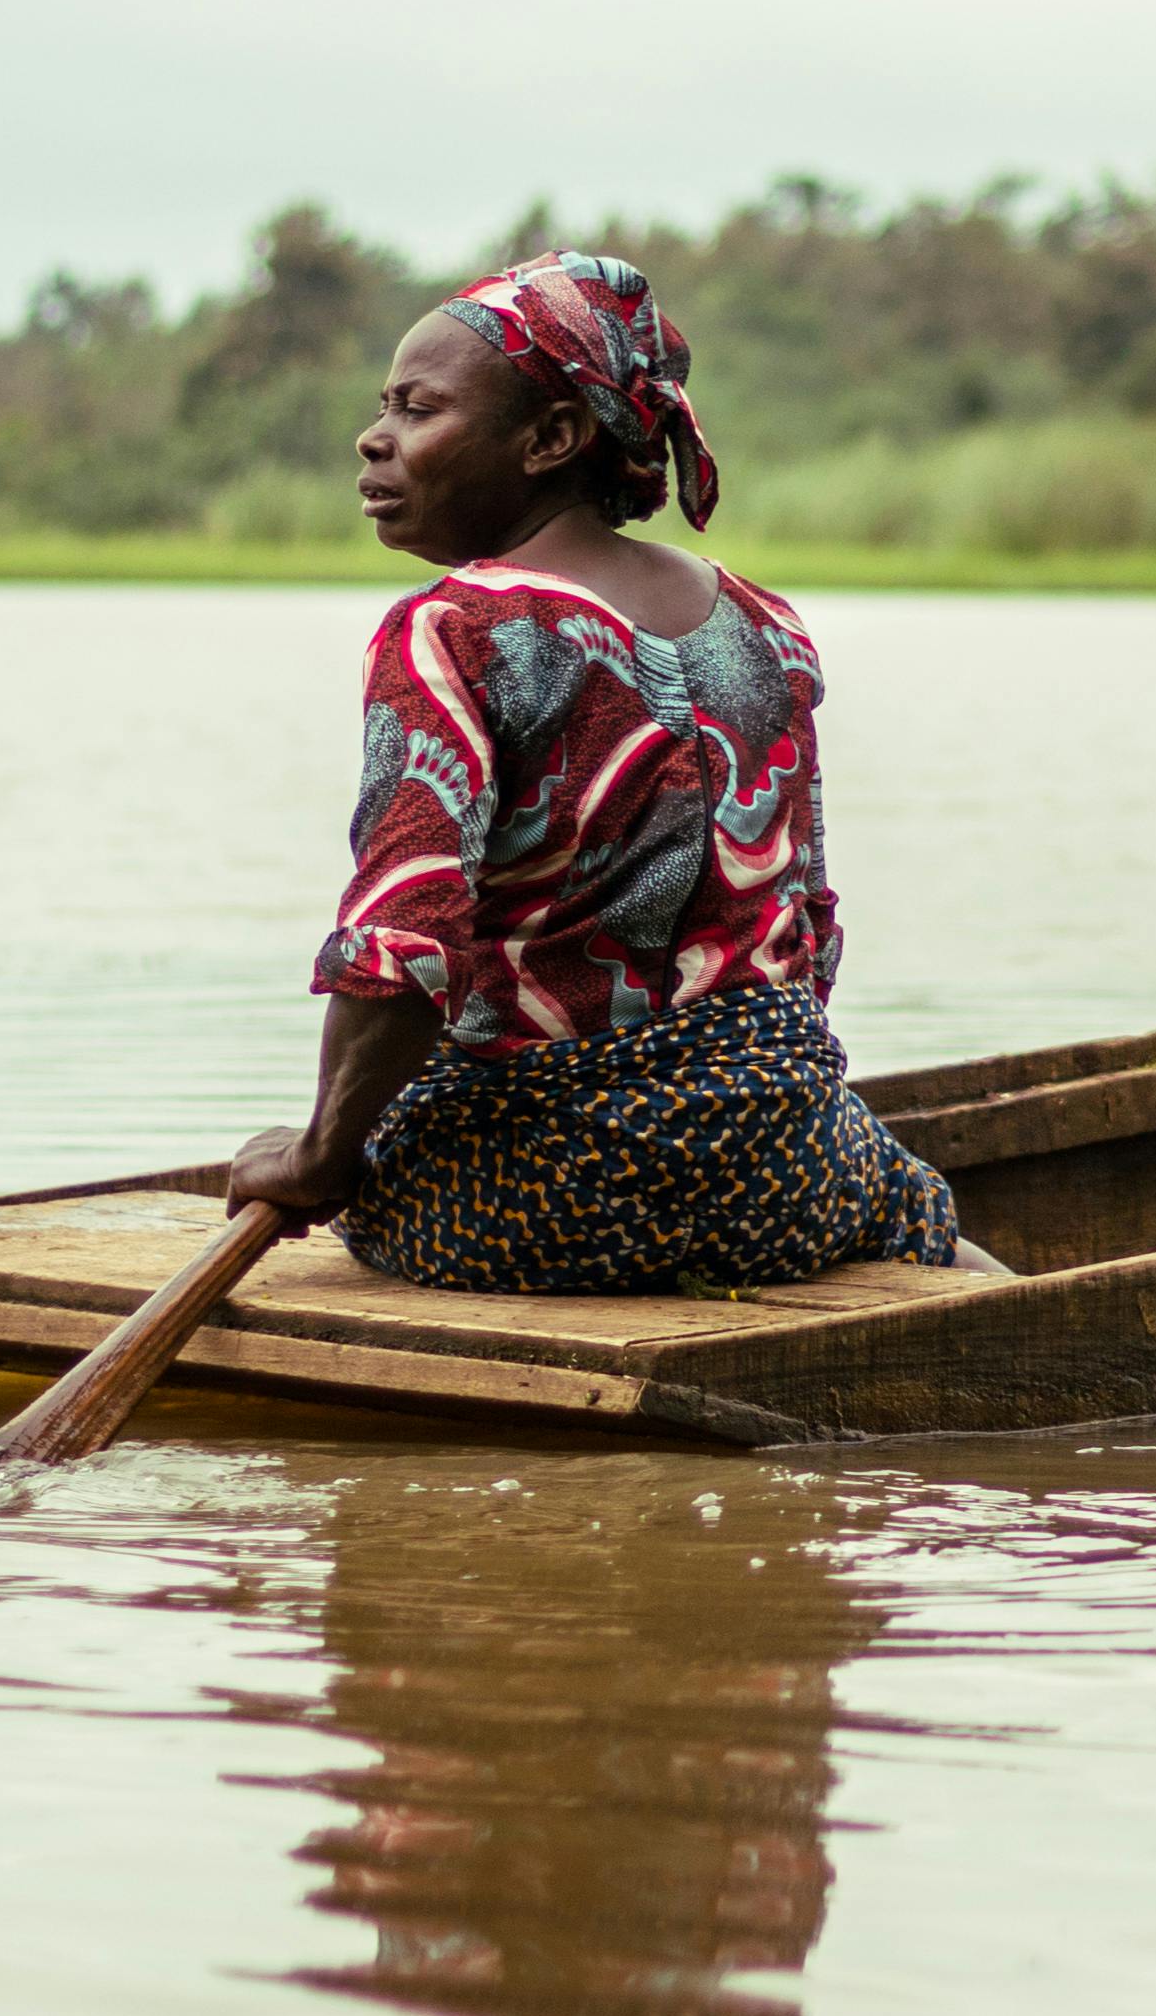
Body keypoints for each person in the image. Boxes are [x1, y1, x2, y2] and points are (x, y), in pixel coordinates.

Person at [227, 250, 996, 1294]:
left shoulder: (455, 627)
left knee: (387, 1165)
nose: (374, 437)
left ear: (550, 439)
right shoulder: (764, 623)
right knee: (911, 1210)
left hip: (546, 1189)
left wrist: (322, 1154)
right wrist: (756, 1115)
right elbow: (801, 925)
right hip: (782, 1165)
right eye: (384, 408)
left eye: (417, 409)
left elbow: (405, 942)